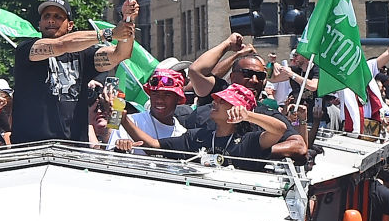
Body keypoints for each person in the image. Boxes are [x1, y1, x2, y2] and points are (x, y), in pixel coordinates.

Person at [12, 0, 140, 143]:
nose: (51, 20)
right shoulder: (27, 49)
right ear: (39, 24)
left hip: (73, 149)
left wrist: (128, 21)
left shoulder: (84, 55)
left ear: (70, 25)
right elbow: (61, 45)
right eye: (46, 16)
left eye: (58, 17)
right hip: (32, 149)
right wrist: (109, 33)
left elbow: (120, 54)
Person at [117, 84, 287, 171]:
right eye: (216, 99)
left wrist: (249, 116)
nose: (215, 102)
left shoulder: (250, 140)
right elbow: (154, 146)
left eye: (223, 101)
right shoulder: (196, 137)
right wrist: (124, 120)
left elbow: (279, 129)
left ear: (238, 107)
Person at [187, 45, 308, 161]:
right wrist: (229, 46)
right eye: (247, 74)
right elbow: (195, 71)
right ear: (232, 77)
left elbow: (300, 147)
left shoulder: (269, 116)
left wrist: (253, 151)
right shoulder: (202, 114)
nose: (254, 80)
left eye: (260, 76)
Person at [108, 68, 187, 154]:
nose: (159, 100)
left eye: (167, 95)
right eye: (155, 94)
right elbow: (109, 160)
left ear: (178, 98)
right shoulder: (129, 121)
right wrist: (120, 149)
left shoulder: (182, 134)